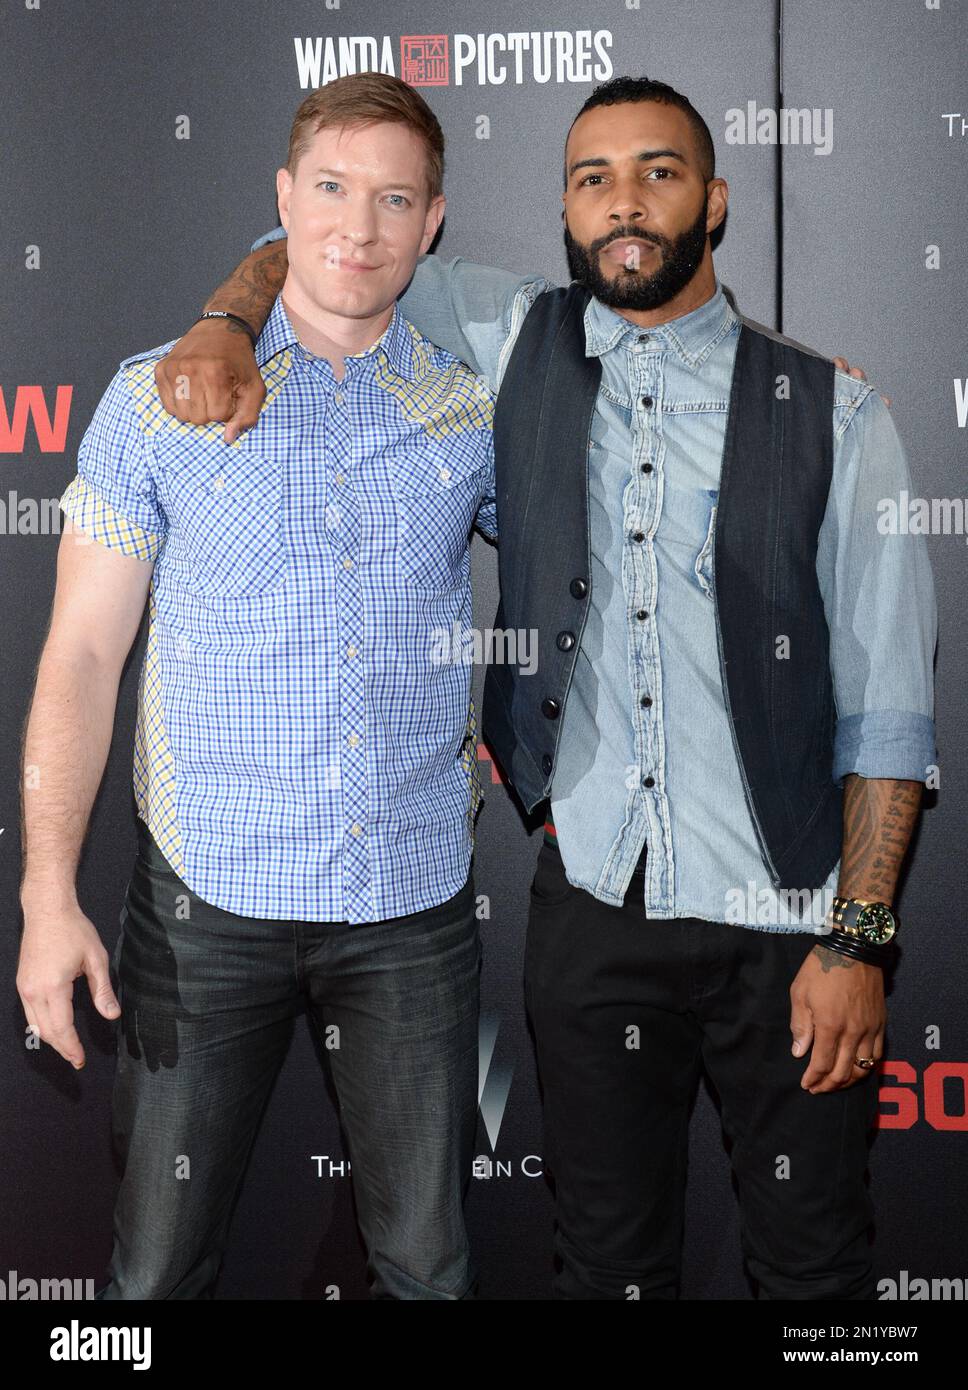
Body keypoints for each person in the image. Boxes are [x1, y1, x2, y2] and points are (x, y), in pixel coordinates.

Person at [154, 77, 936, 1300]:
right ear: (566, 212)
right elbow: (332, 250)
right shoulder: (514, 331)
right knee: (603, 1264)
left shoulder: (833, 411)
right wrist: (219, 320)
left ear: (714, 201)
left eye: (657, 172)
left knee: (815, 1273)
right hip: (592, 912)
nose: (623, 200)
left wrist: (858, 939)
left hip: (789, 924)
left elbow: (888, 708)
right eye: (591, 179)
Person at [17, 73, 498, 1300]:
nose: (359, 227)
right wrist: (46, 896)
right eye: (331, 189)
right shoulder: (154, 399)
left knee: (428, 1270)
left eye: (395, 200)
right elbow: (80, 653)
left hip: (409, 902)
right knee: (154, 1274)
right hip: (202, 907)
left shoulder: (469, 406)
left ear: (432, 221)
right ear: (282, 199)